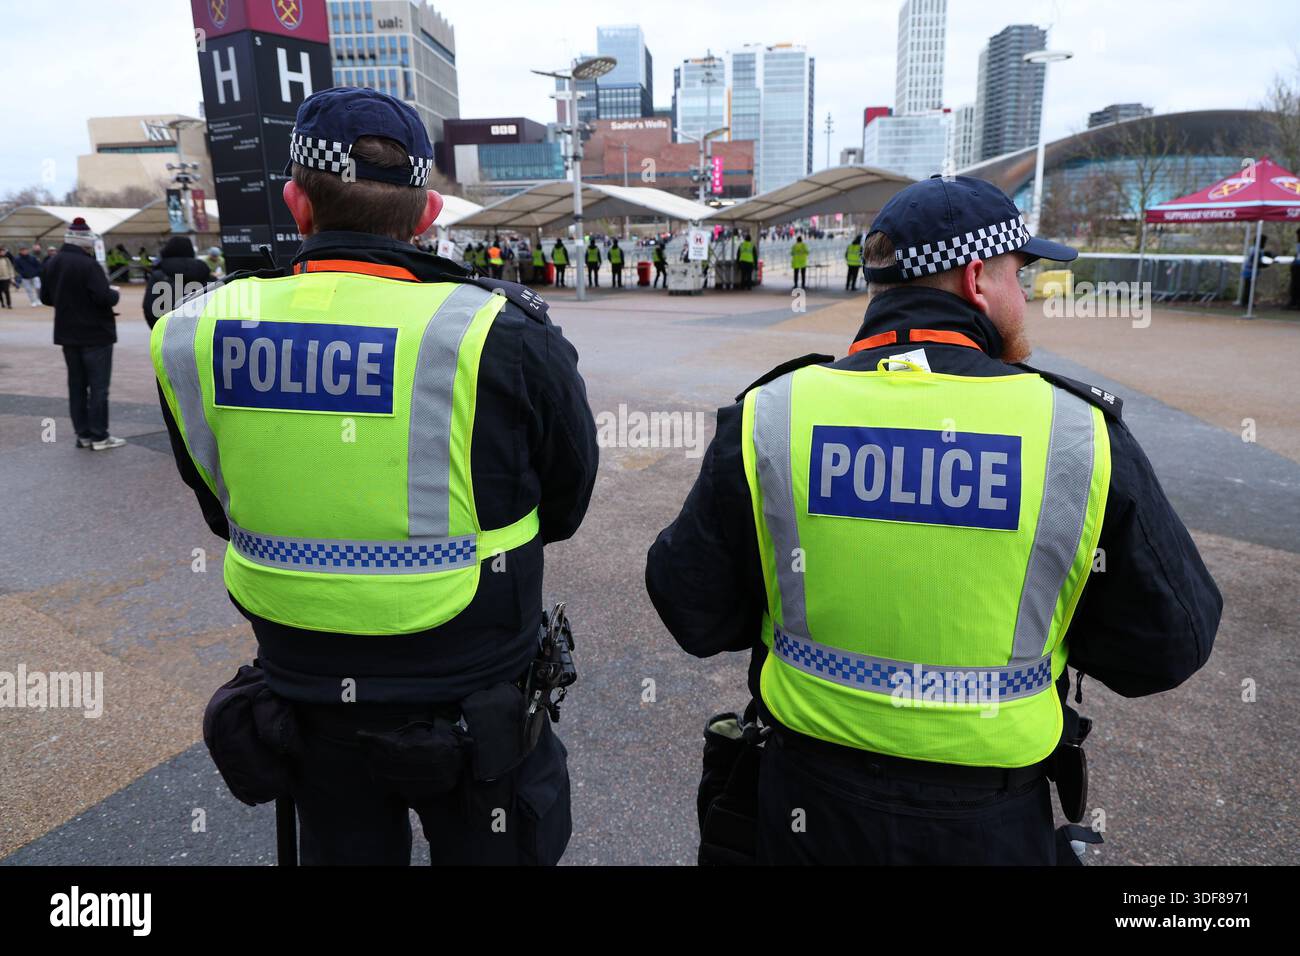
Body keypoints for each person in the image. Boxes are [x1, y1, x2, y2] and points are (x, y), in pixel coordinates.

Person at [646, 174, 1221, 866]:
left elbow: (691, 607)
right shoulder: (1074, 430)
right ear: (979, 280)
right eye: (1021, 274)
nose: (1026, 295)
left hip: (804, 813)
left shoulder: (774, 413)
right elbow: (1170, 644)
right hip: (988, 827)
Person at [150, 87, 599, 865]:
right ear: (426, 214)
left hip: (306, 694)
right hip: (475, 699)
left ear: (297, 202)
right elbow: (565, 502)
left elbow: (221, 507)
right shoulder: (502, 332)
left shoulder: (194, 331)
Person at [41, 217, 125, 450]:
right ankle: (100, 436)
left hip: (67, 334)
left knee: (76, 386)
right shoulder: (89, 265)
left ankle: (84, 434)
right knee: (98, 388)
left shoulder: (51, 262)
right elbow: (103, 297)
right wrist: (114, 294)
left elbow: (45, 298)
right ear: (84, 241)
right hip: (96, 334)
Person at [143, 236, 212, 329]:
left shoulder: (159, 275)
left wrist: (159, 331)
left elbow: (150, 308)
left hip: (169, 330)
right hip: (202, 331)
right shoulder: (205, 273)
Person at [1242, 235, 1269, 305]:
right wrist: (1265, 265)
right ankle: (1246, 302)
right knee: (1249, 287)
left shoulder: (1255, 249)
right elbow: (1255, 262)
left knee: (1249, 287)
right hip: (1250, 271)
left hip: (1250, 271)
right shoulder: (1256, 250)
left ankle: (1247, 301)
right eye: (1264, 242)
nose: (1265, 244)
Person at [1289, 228, 1300, 310]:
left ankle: (1296, 302)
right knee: (1294, 285)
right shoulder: (1298, 244)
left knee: (1297, 285)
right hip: (1296, 267)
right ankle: (1294, 301)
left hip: (1298, 268)